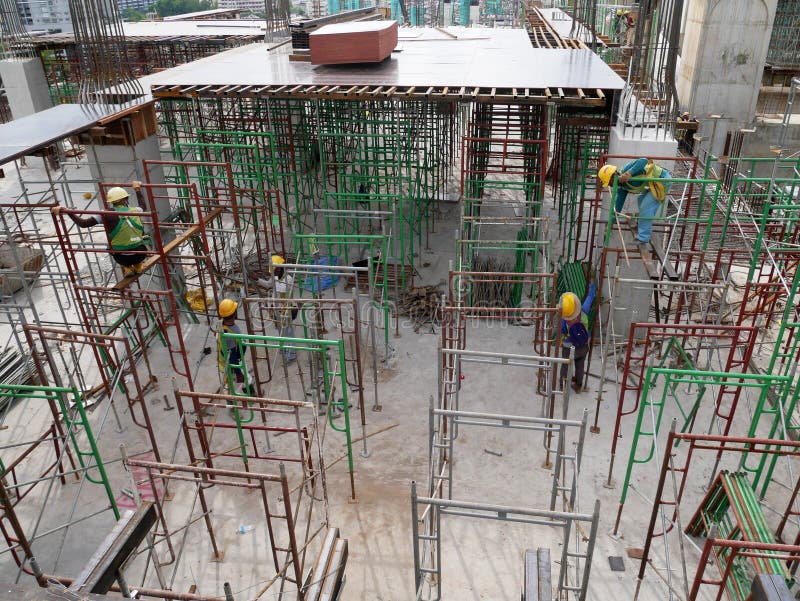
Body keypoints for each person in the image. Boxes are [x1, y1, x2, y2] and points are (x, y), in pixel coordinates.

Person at [51, 182, 148, 276]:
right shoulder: (136, 210)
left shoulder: (105, 214)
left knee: (115, 247)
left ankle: (127, 268)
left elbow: (83, 223)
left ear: (111, 202)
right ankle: (138, 266)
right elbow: (143, 206)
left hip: (122, 258)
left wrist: (67, 211)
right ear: (126, 198)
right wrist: (137, 189)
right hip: (141, 254)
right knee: (139, 243)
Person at [598, 159, 672, 256]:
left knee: (646, 208)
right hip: (652, 184)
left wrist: (629, 173)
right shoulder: (622, 187)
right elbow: (618, 205)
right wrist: (611, 223)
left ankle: (643, 238)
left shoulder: (626, 170)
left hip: (662, 181)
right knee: (641, 200)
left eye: (610, 183)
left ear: (613, 177)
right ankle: (644, 223)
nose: (611, 186)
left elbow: (644, 160)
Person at [558, 283, 596, 394]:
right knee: (580, 366)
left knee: (565, 366)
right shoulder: (584, 310)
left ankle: (562, 385)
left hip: (568, 347)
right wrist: (592, 285)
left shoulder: (564, 320)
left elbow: (562, 332)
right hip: (583, 346)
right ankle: (578, 386)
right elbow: (590, 296)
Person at [217, 298, 252, 395]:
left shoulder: (222, 324)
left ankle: (231, 400)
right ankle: (251, 396)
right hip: (230, 362)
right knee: (246, 379)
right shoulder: (228, 335)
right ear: (234, 314)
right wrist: (238, 372)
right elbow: (231, 355)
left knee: (229, 382)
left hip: (229, 359)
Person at [271, 255, 297, 363]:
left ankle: (291, 355)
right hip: (278, 309)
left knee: (288, 331)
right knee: (280, 329)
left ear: (281, 268)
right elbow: (269, 284)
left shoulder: (288, 279)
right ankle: (284, 348)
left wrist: (272, 283)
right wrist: (257, 279)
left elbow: (281, 289)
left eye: (275, 270)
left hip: (288, 309)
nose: (274, 273)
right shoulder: (275, 277)